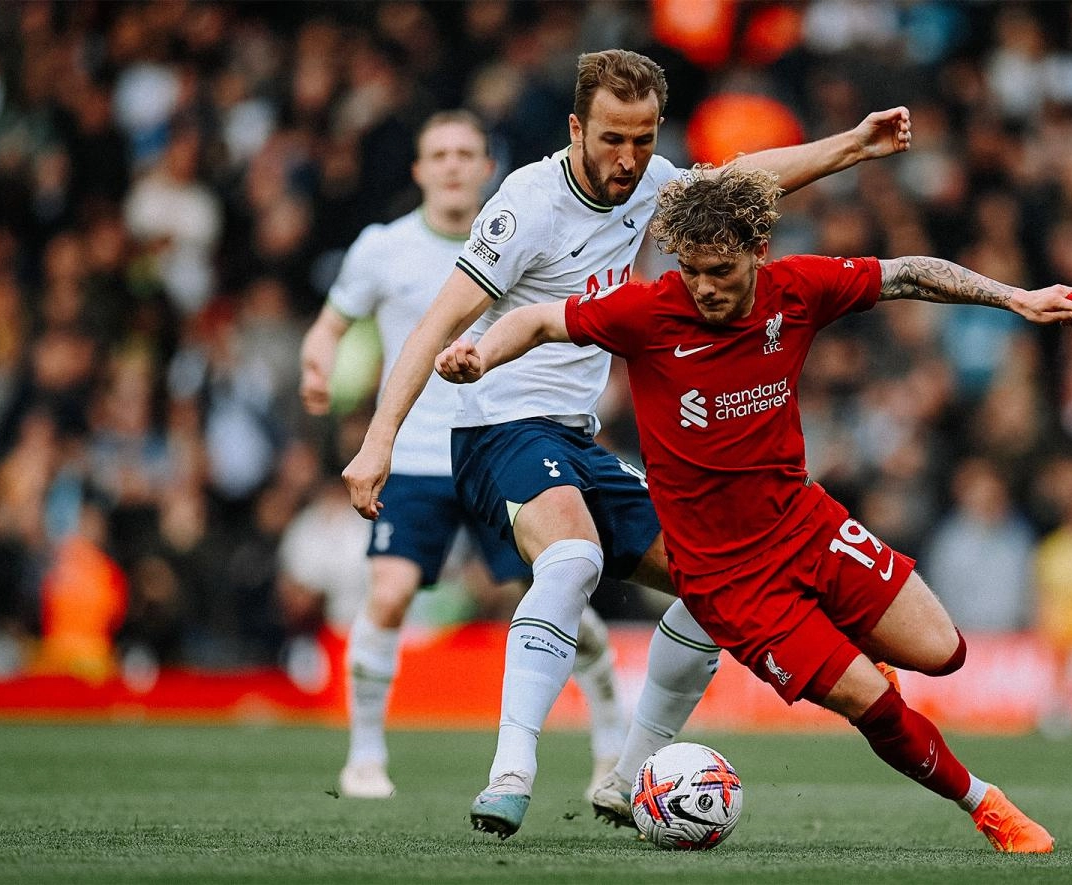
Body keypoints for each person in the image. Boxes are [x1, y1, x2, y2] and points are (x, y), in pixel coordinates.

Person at [341, 49, 913, 837]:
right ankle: (511, 770)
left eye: (643, 139)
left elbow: (744, 182)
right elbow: (435, 323)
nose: (628, 159)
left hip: (577, 437)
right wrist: (378, 442)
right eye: (612, 139)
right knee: (571, 557)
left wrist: (852, 145)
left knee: (717, 590)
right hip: (496, 427)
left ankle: (623, 775)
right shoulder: (525, 205)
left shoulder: (649, 184)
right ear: (577, 127)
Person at [437, 165, 1072, 852]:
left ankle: (846, 645)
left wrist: (1014, 297)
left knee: (945, 652)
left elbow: (905, 274)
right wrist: (480, 354)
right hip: (731, 585)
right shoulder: (649, 312)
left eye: (720, 269)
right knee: (874, 704)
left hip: (807, 524)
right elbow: (540, 318)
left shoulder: (799, 290)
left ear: (758, 250)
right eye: (691, 269)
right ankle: (986, 805)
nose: (705, 287)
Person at [300, 111, 626, 800]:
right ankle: (363, 757)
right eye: (438, 153)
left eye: (465, 153)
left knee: (558, 593)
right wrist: (317, 365)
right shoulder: (381, 249)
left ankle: (610, 741)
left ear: (487, 168)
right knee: (386, 594)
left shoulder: (521, 231)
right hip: (417, 456)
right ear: (418, 170)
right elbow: (329, 324)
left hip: (498, 439)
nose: (451, 164)